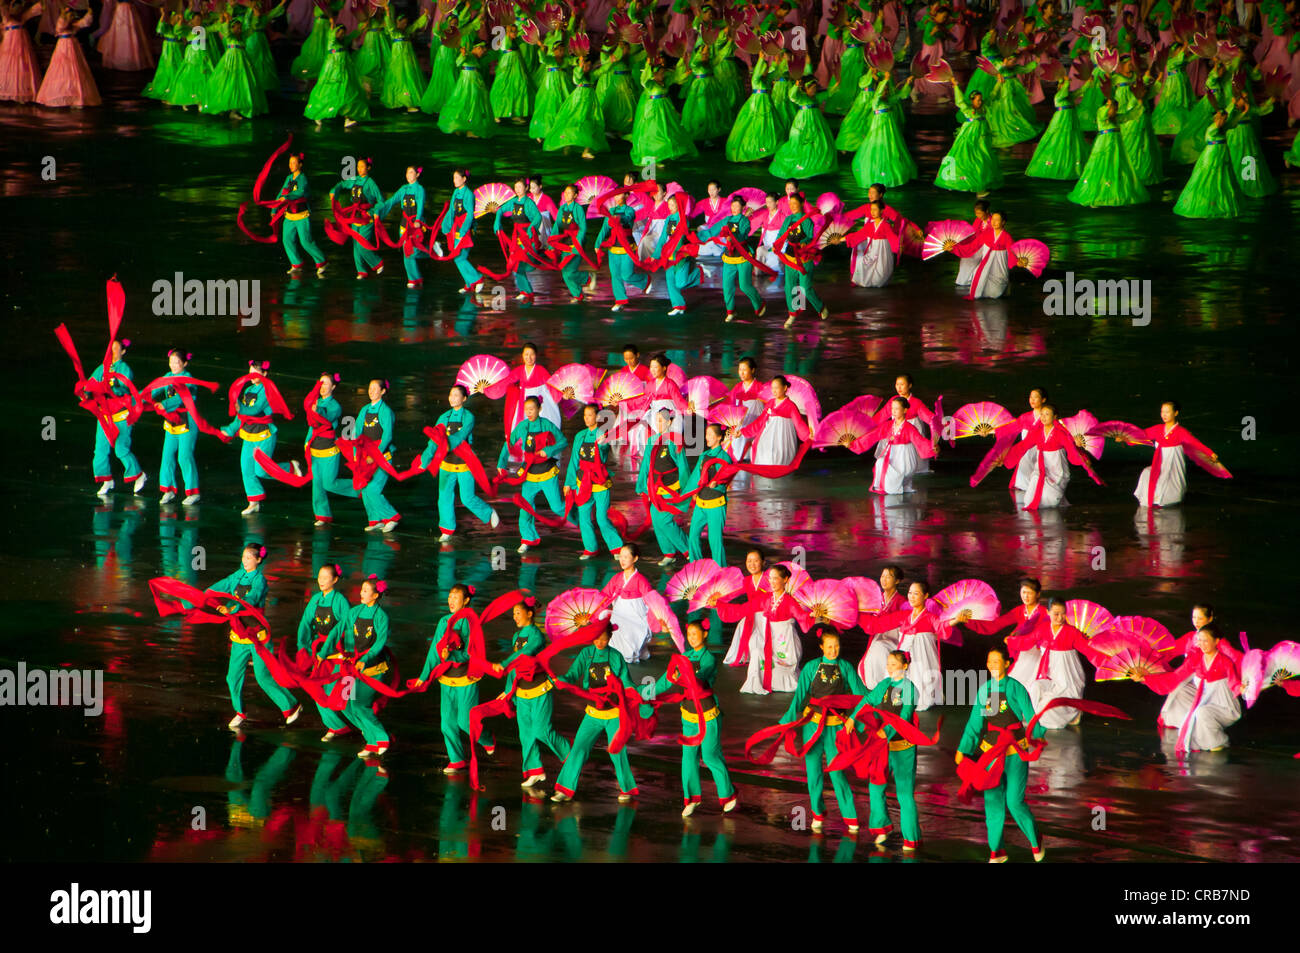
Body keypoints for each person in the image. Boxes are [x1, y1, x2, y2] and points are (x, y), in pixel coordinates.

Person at [955, 646, 1046, 863]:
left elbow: (1032, 717)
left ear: (1007, 663)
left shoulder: (1016, 688)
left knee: (1014, 802)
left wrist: (1039, 736)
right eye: (990, 662)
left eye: (997, 661)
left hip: (1014, 751)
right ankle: (997, 851)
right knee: (993, 802)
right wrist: (963, 749)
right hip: (991, 754)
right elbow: (976, 723)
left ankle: (1035, 840)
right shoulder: (985, 690)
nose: (993, 665)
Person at [644, 619, 738, 816]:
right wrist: (642, 693)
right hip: (688, 715)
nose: (692, 638)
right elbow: (663, 683)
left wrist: (682, 671)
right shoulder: (684, 657)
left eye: (696, 634)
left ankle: (728, 794)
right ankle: (692, 798)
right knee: (688, 758)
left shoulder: (709, 659)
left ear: (704, 635)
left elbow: (699, 679)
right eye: (689, 634)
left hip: (708, 715)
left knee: (711, 756)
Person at [781, 630, 869, 833]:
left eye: (836, 646)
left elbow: (863, 696)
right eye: (829, 646)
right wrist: (786, 722)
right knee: (813, 773)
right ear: (821, 647)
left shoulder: (845, 667)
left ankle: (850, 816)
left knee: (838, 773)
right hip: (813, 726)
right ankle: (817, 813)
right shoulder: (811, 668)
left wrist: (854, 718)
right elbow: (799, 697)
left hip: (836, 728)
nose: (833, 650)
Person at [212, 544, 303, 730]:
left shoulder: (260, 580)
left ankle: (291, 706)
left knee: (263, 677)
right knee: (232, 677)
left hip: (258, 637)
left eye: (248, 558)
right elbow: (220, 586)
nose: (244, 561)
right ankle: (239, 712)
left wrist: (231, 608)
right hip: (239, 637)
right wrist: (202, 595)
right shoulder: (237, 576)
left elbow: (250, 600)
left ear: (258, 560)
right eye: (243, 557)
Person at [411, 583, 496, 774]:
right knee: (447, 723)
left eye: (456, 597)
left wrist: (453, 652)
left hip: (466, 678)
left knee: (465, 722)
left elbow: (472, 653)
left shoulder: (470, 622)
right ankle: (457, 760)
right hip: (446, 678)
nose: (451, 600)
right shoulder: (443, 622)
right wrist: (424, 676)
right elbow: (434, 651)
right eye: (450, 596)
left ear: (466, 601)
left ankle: (487, 738)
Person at [551, 623, 641, 802]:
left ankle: (627, 789)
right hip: (592, 712)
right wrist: (562, 680)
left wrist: (640, 694)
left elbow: (626, 682)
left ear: (610, 636)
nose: (600, 641)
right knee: (578, 749)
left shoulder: (615, 656)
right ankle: (564, 789)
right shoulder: (586, 654)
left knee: (617, 751)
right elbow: (572, 675)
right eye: (596, 637)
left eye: (604, 637)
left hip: (613, 713)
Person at [496, 598, 571, 786]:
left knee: (541, 730)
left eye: (518, 613)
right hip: (522, 693)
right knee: (525, 734)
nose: (515, 617)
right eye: (513, 614)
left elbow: (521, 656)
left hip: (539, 690)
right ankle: (535, 770)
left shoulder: (536, 636)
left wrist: (503, 664)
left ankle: (570, 756)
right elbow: (515, 670)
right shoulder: (516, 637)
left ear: (529, 614)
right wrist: (508, 691)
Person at [1135, 624, 1242, 753]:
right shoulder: (1196, 660)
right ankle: (1205, 738)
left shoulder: (1224, 661)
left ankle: (1219, 742)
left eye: (1206, 641)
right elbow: (1175, 677)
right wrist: (1146, 678)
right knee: (1183, 698)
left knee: (1201, 712)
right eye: (1200, 640)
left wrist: (1241, 688)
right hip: (1204, 700)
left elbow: (1233, 682)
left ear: (1216, 641)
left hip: (1224, 703)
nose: (1202, 644)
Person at [419, 384, 500, 540]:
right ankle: (446, 529)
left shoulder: (468, 417)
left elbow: (461, 436)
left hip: (464, 462)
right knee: (444, 497)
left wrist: (447, 443)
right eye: (451, 395)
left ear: (464, 399)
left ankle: (488, 512)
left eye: (456, 395)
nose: (452, 398)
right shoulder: (443, 417)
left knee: (467, 497)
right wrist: (425, 459)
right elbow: (433, 441)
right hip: (446, 463)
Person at [865, 650, 921, 850]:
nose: (889, 668)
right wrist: (854, 717)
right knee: (875, 785)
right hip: (884, 747)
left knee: (904, 793)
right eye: (887, 664)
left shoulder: (910, 689)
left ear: (904, 666)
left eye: (893, 664)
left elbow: (904, 716)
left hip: (903, 746)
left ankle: (911, 838)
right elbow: (868, 700)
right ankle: (882, 827)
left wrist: (886, 731)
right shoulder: (884, 685)